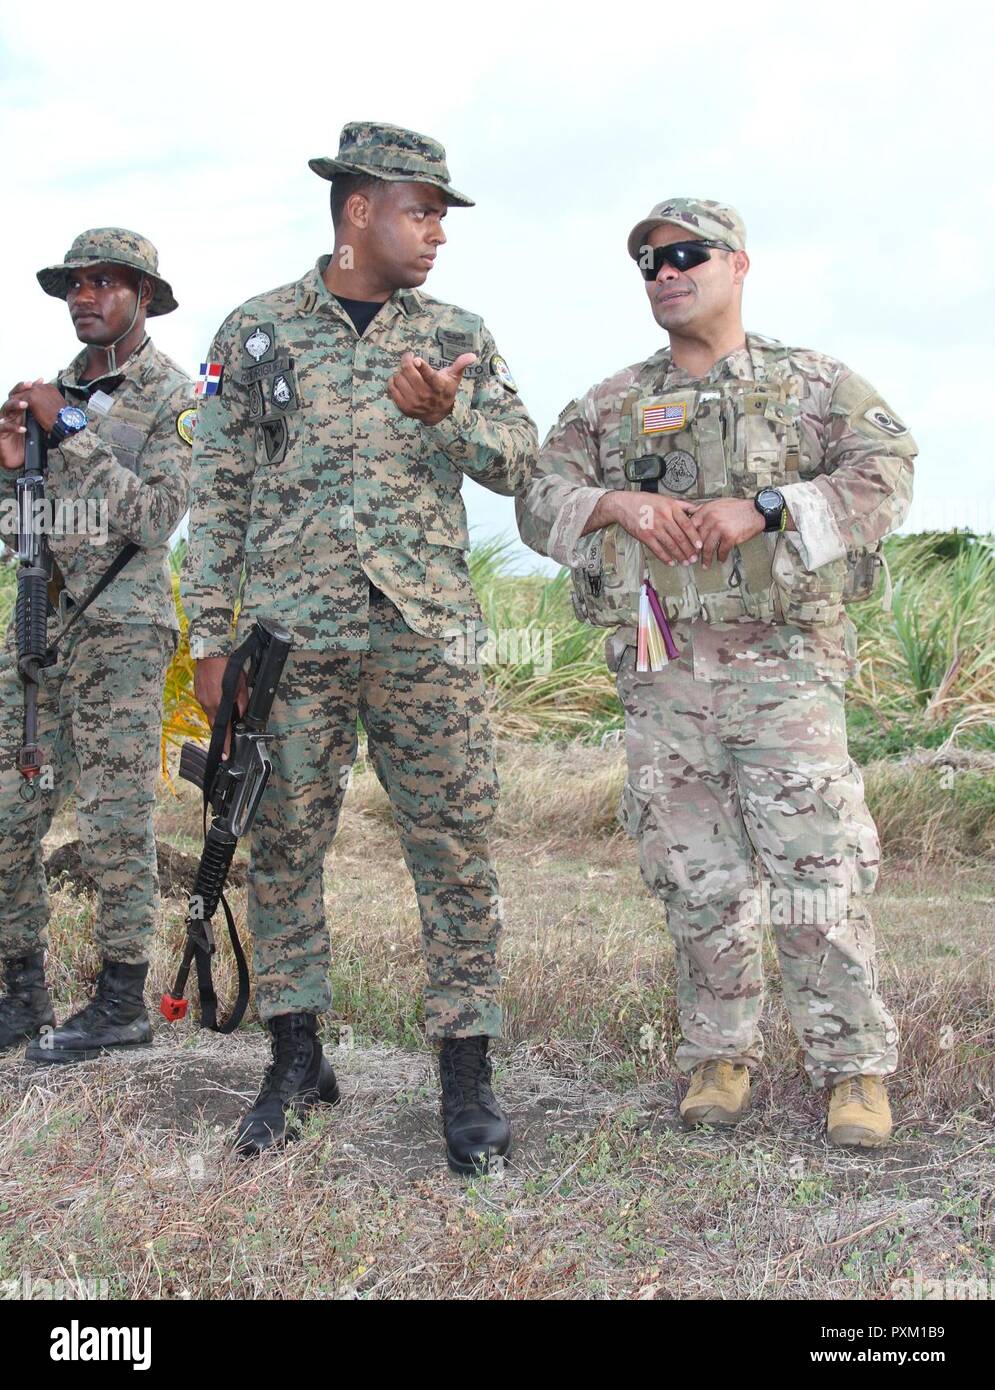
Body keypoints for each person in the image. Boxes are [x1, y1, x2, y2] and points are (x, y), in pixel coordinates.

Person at [517, 199, 915, 1147]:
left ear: (738, 265)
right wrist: (615, 504)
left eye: (685, 255)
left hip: (781, 669)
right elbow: (538, 496)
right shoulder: (611, 403)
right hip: (661, 674)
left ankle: (852, 1068)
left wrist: (766, 507)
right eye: (649, 262)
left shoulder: (813, 384)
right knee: (692, 872)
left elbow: (886, 470)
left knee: (813, 867)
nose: (665, 273)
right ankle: (717, 1053)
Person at [183, 122, 537, 1172]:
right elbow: (218, 493)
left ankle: (465, 1077)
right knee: (283, 841)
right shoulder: (253, 332)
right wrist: (210, 637)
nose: (435, 232)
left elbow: (518, 458)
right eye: (420, 211)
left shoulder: (457, 331)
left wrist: (445, 419)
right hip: (290, 635)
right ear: (358, 211)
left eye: (438, 214)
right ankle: (294, 1062)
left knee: (455, 847)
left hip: (424, 631)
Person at [0, 228, 191, 1062]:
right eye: (75, 285)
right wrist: (10, 466)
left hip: (121, 631)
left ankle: (120, 1001)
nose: (85, 297)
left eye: (105, 283)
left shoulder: (176, 397)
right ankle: (21, 993)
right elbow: (19, 537)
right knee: (8, 813)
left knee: (115, 821)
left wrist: (67, 428)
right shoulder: (52, 391)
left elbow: (154, 520)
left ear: (143, 296)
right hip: (42, 625)